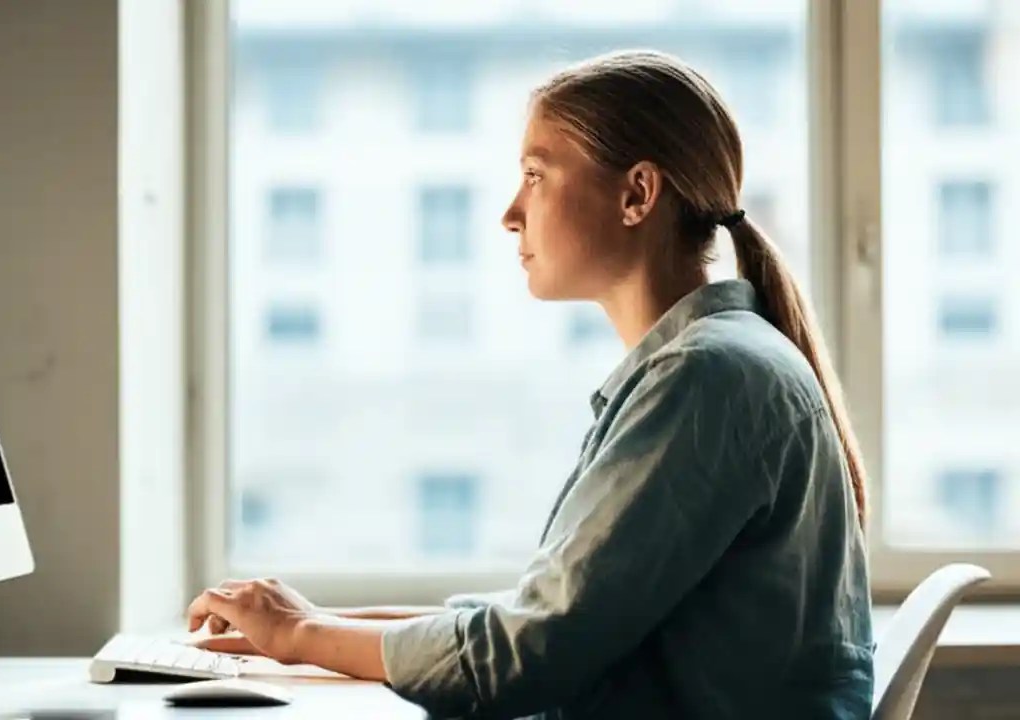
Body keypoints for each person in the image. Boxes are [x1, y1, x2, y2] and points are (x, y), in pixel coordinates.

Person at [186, 49, 873, 719]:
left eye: (536, 175)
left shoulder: (706, 377)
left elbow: (528, 653)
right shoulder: (718, 362)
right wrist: (311, 624)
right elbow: (544, 618)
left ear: (637, 193)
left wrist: (303, 636)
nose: (511, 212)